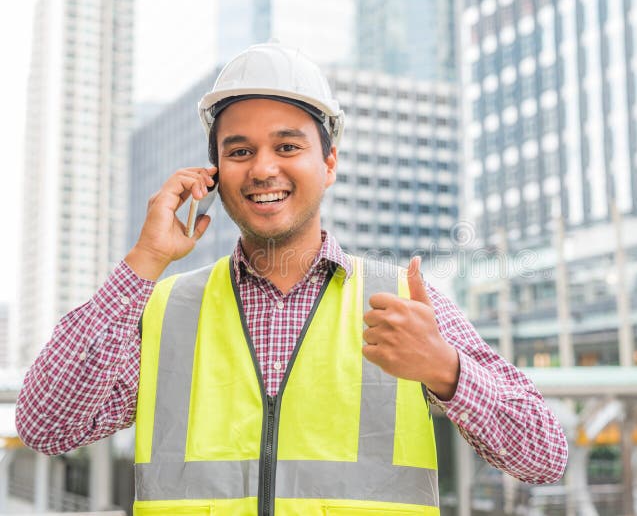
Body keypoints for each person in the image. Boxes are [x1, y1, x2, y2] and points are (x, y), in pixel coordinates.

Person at [16, 42, 567, 515]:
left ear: (328, 164)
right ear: (214, 175)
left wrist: (446, 371)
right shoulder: (165, 308)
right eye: (239, 151)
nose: (262, 168)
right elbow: (45, 424)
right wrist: (144, 259)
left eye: (287, 146)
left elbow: (544, 456)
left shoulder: (404, 303)